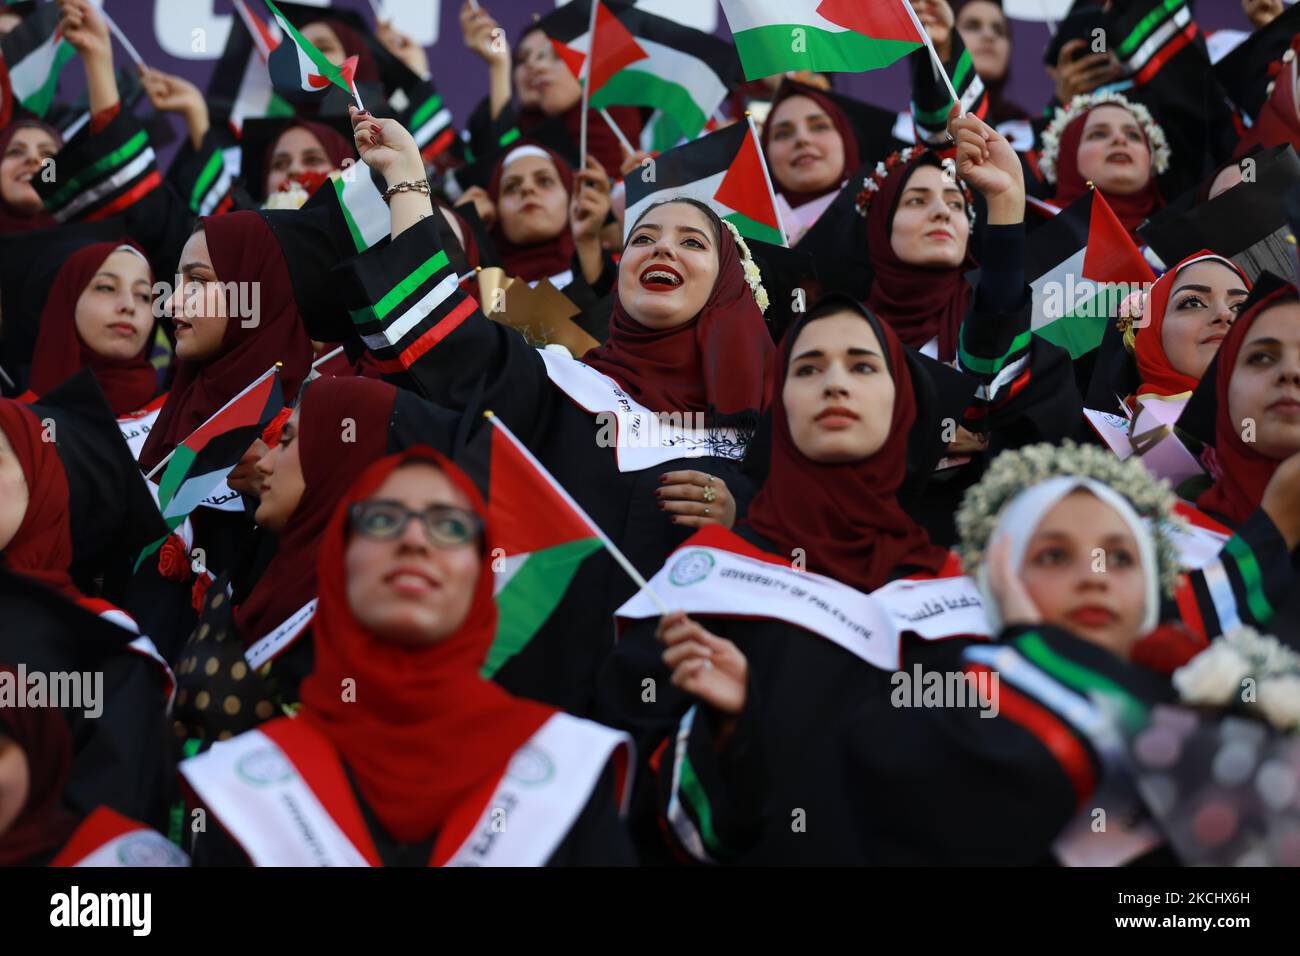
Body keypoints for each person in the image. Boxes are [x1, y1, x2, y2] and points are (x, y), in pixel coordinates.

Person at [326, 106, 772, 714]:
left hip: (684, 720)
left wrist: (741, 512)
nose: (660, 248)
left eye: (692, 242)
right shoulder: (560, 383)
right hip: (528, 707)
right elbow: (450, 342)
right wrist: (407, 182)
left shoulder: (768, 432)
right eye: (642, 237)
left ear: (726, 285)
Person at [598, 295, 972, 863]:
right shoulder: (707, 577)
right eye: (807, 368)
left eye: (863, 366)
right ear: (781, 403)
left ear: (902, 403)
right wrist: (728, 733)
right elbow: (636, 805)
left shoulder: (962, 593)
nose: (835, 384)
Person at [179, 448, 636, 866]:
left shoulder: (566, 772)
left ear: (479, 577)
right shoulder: (243, 791)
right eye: (382, 520)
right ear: (339, 562)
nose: (416, 540)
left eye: (451, 526)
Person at [23, 241, 161, 419]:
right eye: (107, 287)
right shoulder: (18, 426)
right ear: (69, 300)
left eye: (143, 295)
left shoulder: (179, 418)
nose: (128, 305)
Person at [1036, 92, 1169, 242]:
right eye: (1099, 134)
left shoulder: (1184, 238)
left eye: (1133, 135)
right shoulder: (1032, 231)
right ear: (1067, 156)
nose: (1120, 139)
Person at [759, 85, 860, 244]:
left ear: (846, 140)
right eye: (783, 133)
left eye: (820, 126)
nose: (802, 139)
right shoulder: (744, 244)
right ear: (765, 151)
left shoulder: (885, 217)